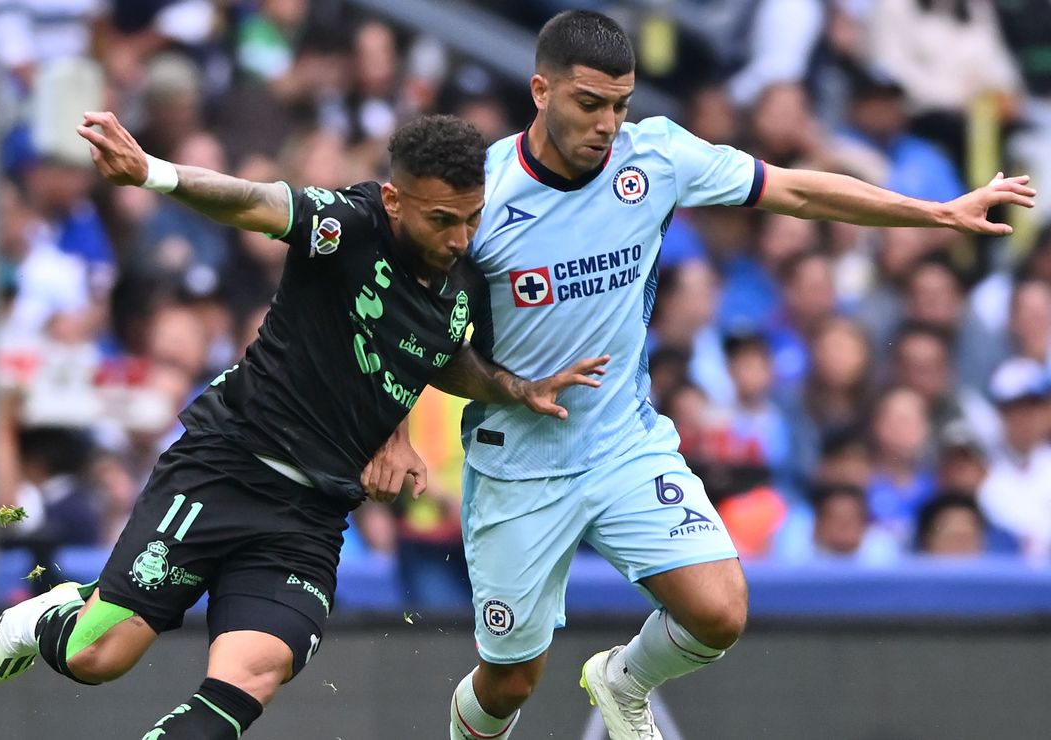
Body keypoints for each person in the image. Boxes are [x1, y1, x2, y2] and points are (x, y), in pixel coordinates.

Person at [365, 11, 1034, 740]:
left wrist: (934, 212)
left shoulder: (654, 159)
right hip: (519, 464)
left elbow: (797, 191)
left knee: (719, 610)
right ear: (540, 91)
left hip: (624, 443)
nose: (607, 124)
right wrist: (399, 429)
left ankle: (623, 680)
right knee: (510, 682)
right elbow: (407, 323)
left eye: (620, 105)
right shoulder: (483, 195)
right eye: (589, 104)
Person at [0, 111, 608, 739]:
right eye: (442, 220)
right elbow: (253, 201)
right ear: (393, 200)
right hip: (227, 467)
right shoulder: (350, 224)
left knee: (254, 671)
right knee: (99, 657)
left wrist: (510, 390)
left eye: (471, 218)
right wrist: (155, 174)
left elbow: (441, 354)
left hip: (312, 512)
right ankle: (51, 617)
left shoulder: (469, 266)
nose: (459, 238)